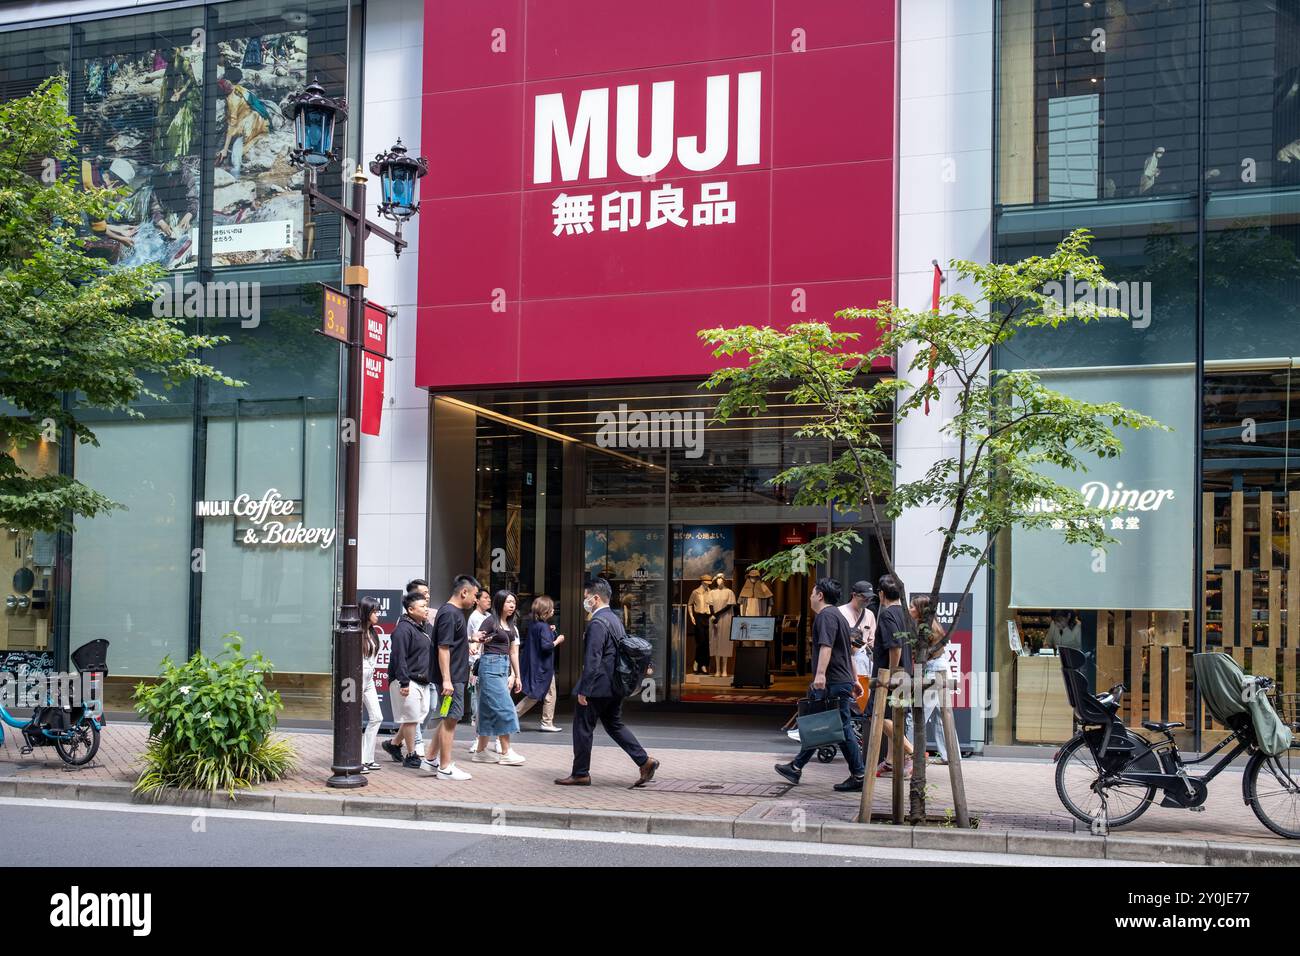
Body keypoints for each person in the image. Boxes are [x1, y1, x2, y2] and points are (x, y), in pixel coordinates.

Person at [555, 578, 659, 788]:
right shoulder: (615, 619)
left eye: (586, 598)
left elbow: (593, 659)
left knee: (582, 727)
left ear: (595, 598)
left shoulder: (597, 622)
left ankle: (580, 773)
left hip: (598, 686)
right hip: (615, 685)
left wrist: (584, 689)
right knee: (614, 724)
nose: (584, 601)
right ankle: (644, 761)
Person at [774, 577, 867, 792]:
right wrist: (853, 680)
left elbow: (826, 647)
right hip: (840, 680)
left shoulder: (825, 616)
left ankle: (859, 775)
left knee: (838, 728)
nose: (810, 596)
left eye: (812, 592)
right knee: (821, 724)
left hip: (832, 681)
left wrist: (820, 675)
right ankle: (796, 767)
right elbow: (848, 652)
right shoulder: (839, 616)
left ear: (820, 595)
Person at [427, 574, 481, 782]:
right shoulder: (450, 613)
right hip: (452, 680)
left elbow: (450, 642)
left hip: (453, 678)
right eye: (475, 595)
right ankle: (445, 767)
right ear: (464, 592)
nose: (475, 600)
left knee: (446, 717)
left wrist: (470, 639)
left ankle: (431, 757)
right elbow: (443, 648)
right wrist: (447, 680)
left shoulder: (450, 612)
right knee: (451, 719)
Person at [470, 590, 526, 765]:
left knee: (486, 711)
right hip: (490, 665)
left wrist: (517, 675)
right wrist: (473, 644)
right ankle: (506, 752)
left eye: (514, 602)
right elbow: (476, 638)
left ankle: (480, 752)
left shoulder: (510, 624)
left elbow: (514, 652)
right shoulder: (490, 621)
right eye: (509, 602)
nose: (512, 605)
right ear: (500, 602)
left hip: (503, 666)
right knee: (505, 708)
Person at [380, 591, 432, 769]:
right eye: (423, 606)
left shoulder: (420, 627)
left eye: (426, 605)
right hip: (408, 680)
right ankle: (411, 755)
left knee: (413, 718)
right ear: (410, 609)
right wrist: (404, 682)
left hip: (421, 680)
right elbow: (398, 657)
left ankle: (393, 744)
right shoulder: (403, 629)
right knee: (410, 719)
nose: (426, 609)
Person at [873, 573, 914, 777]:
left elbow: (895, 647)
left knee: (881, 717)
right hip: (907, 673)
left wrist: (889, 674)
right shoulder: (906, 613)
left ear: (881, 594)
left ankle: (912, 753)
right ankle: (890, 761)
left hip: (893, 676)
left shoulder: (888, 614)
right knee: (896, 716)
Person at [911, 594, 950, 766]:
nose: (910, 609)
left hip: (934, 671)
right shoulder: (933, 624)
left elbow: (922, 654)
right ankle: (949, 755)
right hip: (940, 669)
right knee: (943, 716)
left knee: (918, 714)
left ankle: (909, 752)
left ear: (919, 610)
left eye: (912, 607)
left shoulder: (924, 628)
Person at [517, 594, 565, 732]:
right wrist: (558, 640)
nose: (553, 611)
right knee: (537, 694)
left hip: (537, 665)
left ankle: (547, 721)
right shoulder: (543, 627)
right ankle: (513, 717)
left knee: (547, 692)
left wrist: (550, 631)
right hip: (543, 667)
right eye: (551, 608)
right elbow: (546, 647)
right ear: (545, 611)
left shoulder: (535, 625)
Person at [466, 586, 493, 753]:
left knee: (489, 700)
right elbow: (474, 639)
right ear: (476, 600)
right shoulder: (474, 617)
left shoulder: (490, 616)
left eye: (490, 598)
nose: (488, 600)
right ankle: (477, 738)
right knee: (476, 699)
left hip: (488, 661)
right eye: (485, 598)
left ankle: (492, 737)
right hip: (476, 664)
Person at [359, 595, 384, 773]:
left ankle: (367, 758)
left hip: (369, 679)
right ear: (366, 612)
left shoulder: (372, 632)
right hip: (357, 678)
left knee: (377, 717)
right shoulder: (357, 632)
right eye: (375, 611)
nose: (378, 615)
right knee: (354, 719)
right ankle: (358, 759)